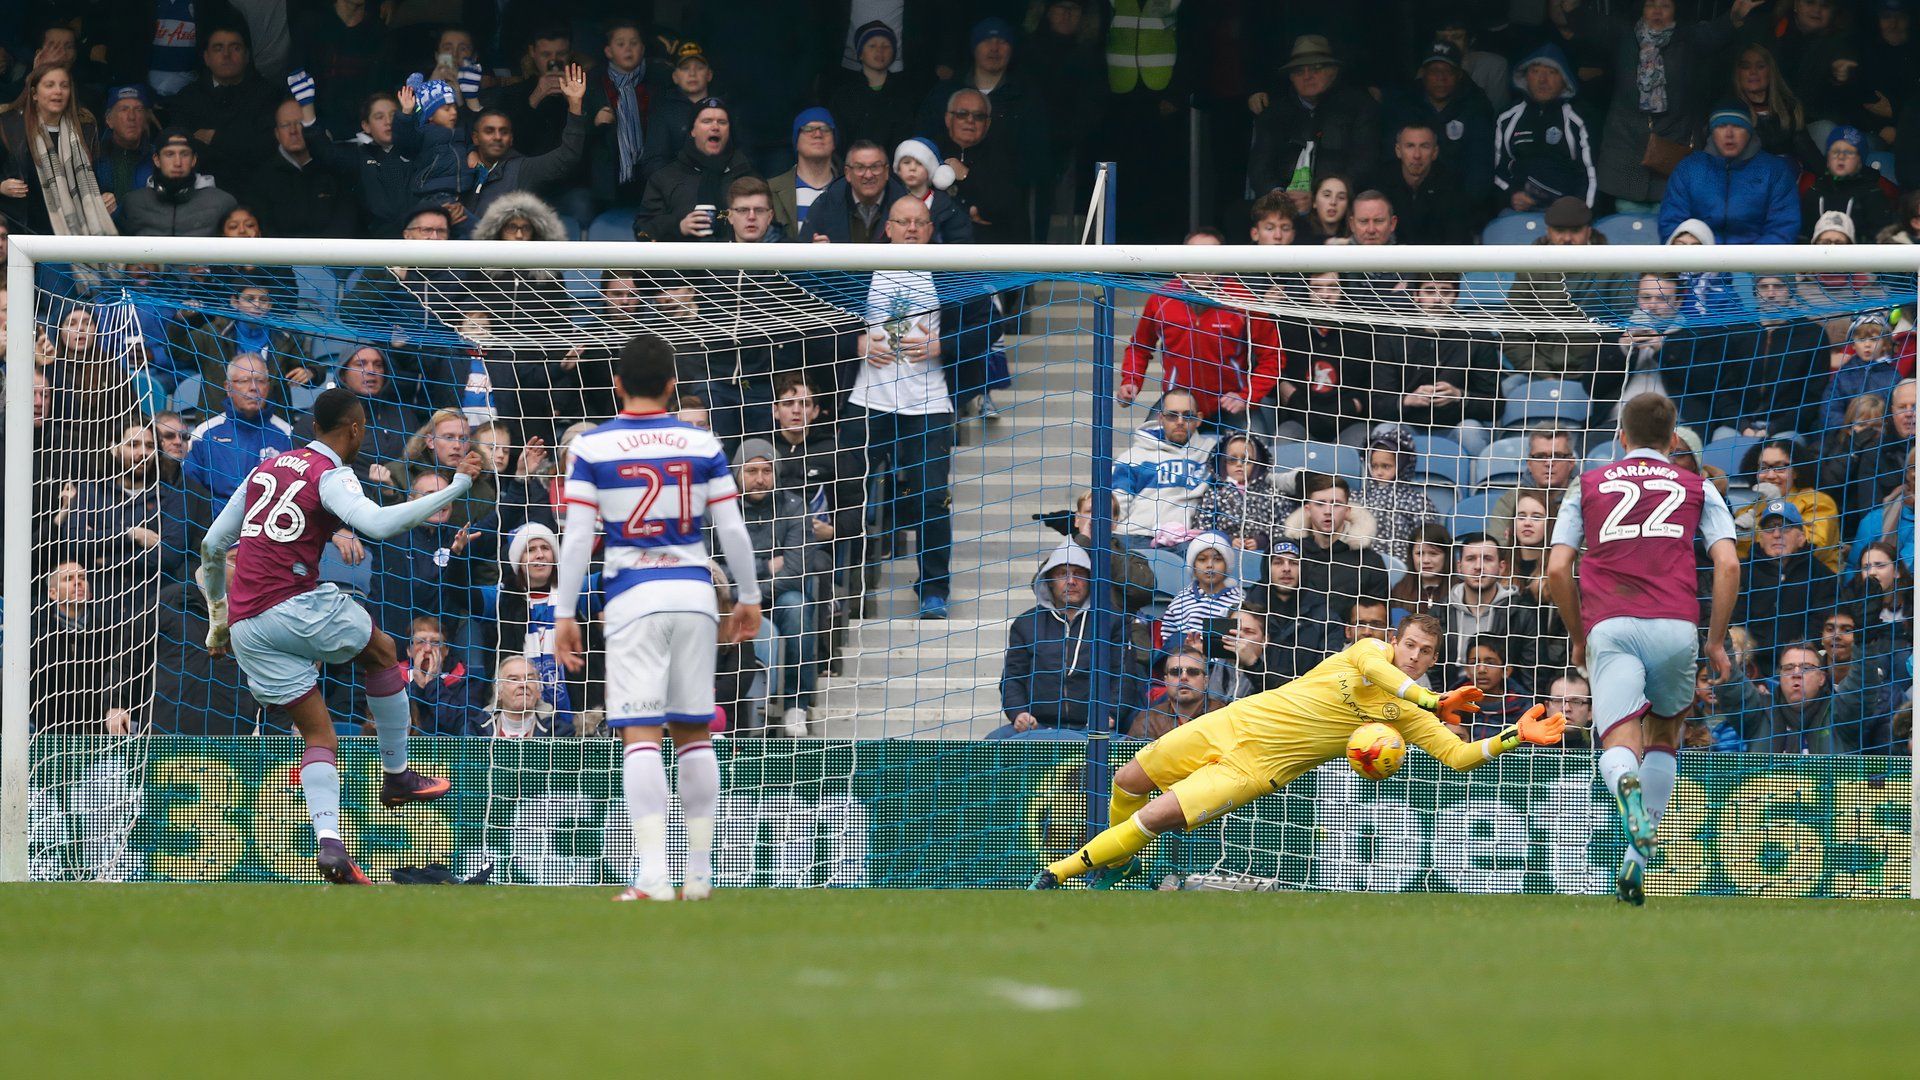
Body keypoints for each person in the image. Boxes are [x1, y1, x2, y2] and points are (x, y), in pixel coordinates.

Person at [1031, 614, 1565, 890]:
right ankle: (1119, 863)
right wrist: (1432, 698)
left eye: (1426, 653)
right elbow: (1381, 672)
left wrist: (1513, 736)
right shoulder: (1367, 654)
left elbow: (1459, 756)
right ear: (1394, 642)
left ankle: (1059, 873)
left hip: (1255, 769)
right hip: (1232, 722)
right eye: (1409, 645)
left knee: (1155, 816)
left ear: (1432, 659)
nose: (1414, 656)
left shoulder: (1408, 714)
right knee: (1127, 780)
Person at [199, 388, 480, 884]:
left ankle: (330, 846)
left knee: (318, 735)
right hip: (294, 605)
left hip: (246, 624)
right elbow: (378, 524)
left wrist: (218, 620)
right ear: (355, 429)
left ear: (312, 427)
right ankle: (397, 775)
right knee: (384, 651)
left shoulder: (265, 468)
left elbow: (212, 544)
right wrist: (456, 488)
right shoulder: (330, 473)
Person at [552, 333, 764, 902]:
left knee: (641, 732)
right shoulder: (701, 441)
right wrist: (748, 595)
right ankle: (699, 875)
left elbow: (578, 537)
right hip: (695, 592)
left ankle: (652, 876)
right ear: (673, 385)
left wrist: (565, 610)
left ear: (617, 383)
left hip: (633, 596)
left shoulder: (593, 447)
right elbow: (732, 528)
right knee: (694, 730)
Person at [1546, 393, 1740, 907]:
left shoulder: (1586, 484)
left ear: (1621, 438)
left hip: (1611, 623)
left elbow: (1557, 569)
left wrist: (1579, 633)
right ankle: (1636, 861)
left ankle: (1625, 787)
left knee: (1618, 739)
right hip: (1675, 625)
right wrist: (1715, 640)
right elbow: (1728, 565)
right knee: (1664, 736)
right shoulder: (1698, 485)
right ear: (1674, 439)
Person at [1554, 0, 1762, 207]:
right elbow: (1590, 25)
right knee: (1627, 219)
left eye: (1665, 6)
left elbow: (1715, 33)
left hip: (1674, 144)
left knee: (1672, 214)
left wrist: (1734, 17)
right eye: (1651, 5)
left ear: (1675, 11)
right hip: (1625, 148)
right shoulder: (1624, 36)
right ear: (1642, 9)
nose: (1657, 11)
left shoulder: (1688, 38)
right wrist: (1571, 7)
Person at [1118, 236, 1280, 423]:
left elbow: (1272, 356)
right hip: (1178, 404)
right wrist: (1131, 381)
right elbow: (1139, 347)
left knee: (1256, 442)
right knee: (1145, 440)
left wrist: (1247, 396)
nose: (1202, 265)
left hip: (1230, 404)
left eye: (1209, 257)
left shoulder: (1242, 301)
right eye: (1195, 256)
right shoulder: (1161, 300)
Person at [998, 543, 1128, 735]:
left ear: (1090, 580)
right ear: (1049, 581)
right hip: (1038, 727)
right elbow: (1013, 677)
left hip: (1095, 728)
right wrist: (1019, 713)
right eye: (1062, 574)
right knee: (992, 744)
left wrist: (1111, 714)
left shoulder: (1111, 621)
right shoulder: (1026, 623)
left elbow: (1123, 676)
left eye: (1079, 574)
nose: (1071, 581)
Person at [1246, 36, 1381, 207]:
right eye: (1299, 71)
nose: (1307, 76)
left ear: (1333, 71)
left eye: (1316, 69)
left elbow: (1364, 164)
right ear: (1291, 77)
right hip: (1284, 205)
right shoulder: (1274, 113)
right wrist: (1279, 195)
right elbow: (1259, 168)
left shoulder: (1359, 107)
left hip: (1339, 204)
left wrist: (1323, 196)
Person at [1658, 101, 1800, 246]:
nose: (1729, 134)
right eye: (1720, 126)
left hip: (1756, 258)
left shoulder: (1775, 171)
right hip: (1700, 257)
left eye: (1738, 126)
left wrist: (1752, 259)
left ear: (1749, 131)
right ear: (1711, 131)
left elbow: (1783, 227)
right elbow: (1672, 223)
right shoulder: (1688, 169)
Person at [0, 64, 116, 236]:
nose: (58, 91)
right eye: (50, 85)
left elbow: (96, 179)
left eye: (64, 85)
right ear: (34, 94)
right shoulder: (9, 127)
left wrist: (107, 196)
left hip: (77, 234)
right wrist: (1, 187)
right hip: (23, 233)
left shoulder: (85, 129)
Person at [635, 96, 758, 241]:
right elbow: (642, 233)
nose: (715, 127)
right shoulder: (664, 179)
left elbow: (770, 229)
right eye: (707, 121)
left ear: (729, 131)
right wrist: (679, 227)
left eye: (722, 122)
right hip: (682, 255)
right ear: (692, 130)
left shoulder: (748, 177)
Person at [1492, 43, 1596, 212]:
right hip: (1518, 210)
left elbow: (1590, 174)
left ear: (1565, 79)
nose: (1542, 80)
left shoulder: (1578, 119)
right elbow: (1496, 169)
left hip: (1565, 212)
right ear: (1525, 77)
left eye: (1552, 72)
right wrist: (1512, 195)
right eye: (1535, 71)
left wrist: (1579, 214)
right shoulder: (1507, 117)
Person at [183, 354, 297, 502]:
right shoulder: (204, 433)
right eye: (244, 381)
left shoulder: (288, 434)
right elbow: (190, 490)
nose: (254, 388)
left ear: (268, 387)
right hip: (215, 515)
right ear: (228, 388)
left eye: (260, 381)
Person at [1111, 388, 1215, 548]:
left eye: (1187, 415)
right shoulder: (1134, 455)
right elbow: (1118, 501)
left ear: (1199, 419)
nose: (1180, 421)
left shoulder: (1213, 452)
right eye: (1172, 415)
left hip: (1183, 542)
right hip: (1133, 536)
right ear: (1161, 418)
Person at [119, 128, 240, 237]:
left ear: (193, 160)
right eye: (169, 154)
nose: (177, 163)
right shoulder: (133, 203)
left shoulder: (222, 202)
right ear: (157, 160)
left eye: (184, 154)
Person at [826, 22, 917, 154]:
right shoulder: (844, 95)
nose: (880, 51)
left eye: (886, 46)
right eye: (872, 46)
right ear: (860, 53)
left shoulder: (904, 95)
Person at [1798, 125, 1898, 242]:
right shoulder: (1815, 192)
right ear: (1828, 160)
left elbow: (1881, 239)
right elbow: (1804, 236)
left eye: (1849, 152)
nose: (1841, 157)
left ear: (1860, 161)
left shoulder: (1873, 194)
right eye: (1835, 152)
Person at [798, 139, 907, 243]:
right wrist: (814, 250)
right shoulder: (825, 205)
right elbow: (801, 251)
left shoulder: (906, 206)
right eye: (860, 167)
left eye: (875, 167)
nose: (868, 175)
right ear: (848, 173)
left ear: (886, 171)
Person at [1122, 645, 1229, 741]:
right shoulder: (1148, 720)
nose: (1184, 677)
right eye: (1175, 672)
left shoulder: (1224, 717)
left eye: (1193, 672)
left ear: (1205, 681)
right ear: (1165, 681)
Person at [1161, 532, 1245, 650]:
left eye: (1217, 559)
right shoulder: (1179, 602)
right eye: (1202, 559)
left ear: (1227, 564)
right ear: (1193, 565)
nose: (1210, 565)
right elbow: (1168, 644)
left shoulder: (1241, 601)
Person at [767, 108, 838, 233]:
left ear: (834, 142)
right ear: (796, 141)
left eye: (825, 129)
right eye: (808, 129)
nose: (818, 134)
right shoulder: (771, 190)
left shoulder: (850, 189)